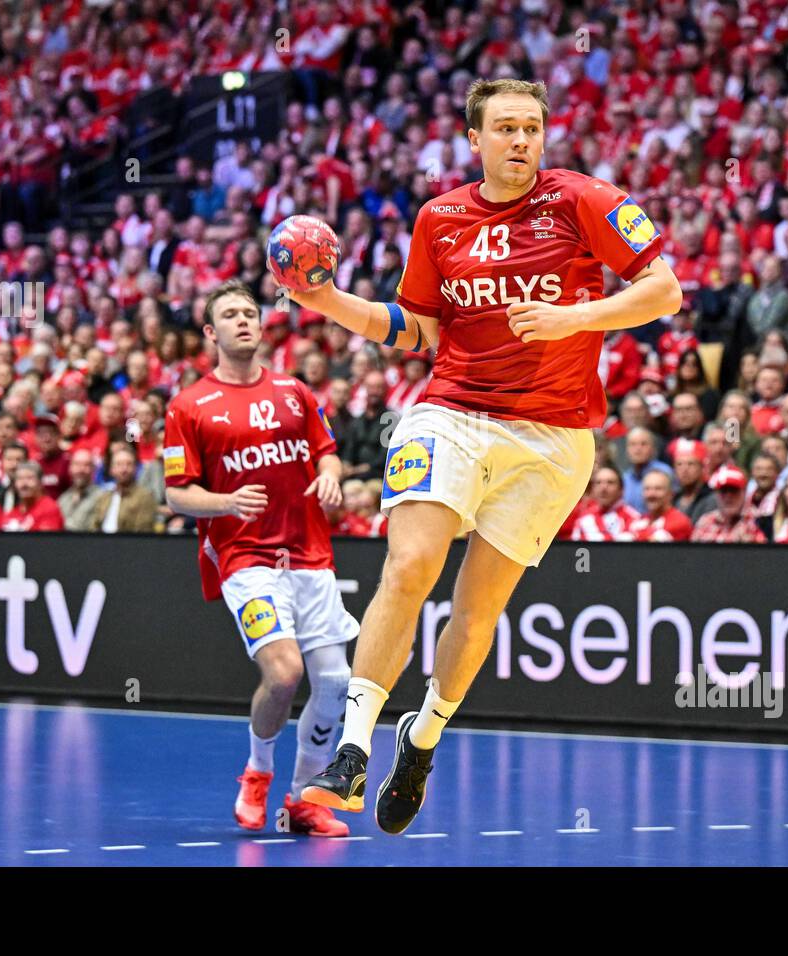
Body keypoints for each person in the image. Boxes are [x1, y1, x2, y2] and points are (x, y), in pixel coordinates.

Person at [284, 78, 681, 833]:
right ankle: (353, 748)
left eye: (532, 127)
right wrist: (324, 301)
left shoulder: (584, 200)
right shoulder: (441, 218)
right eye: (505, 129)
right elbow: (416, 330)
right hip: (453, 413)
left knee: (477, 611)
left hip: (553, 438)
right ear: (475, 139)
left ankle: (423, 738)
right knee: (410, 566)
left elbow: (664, 292)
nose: (522, 141)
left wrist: (575, 317)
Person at [164, 281, 360, 838]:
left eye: (250, 312)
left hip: (311, 556)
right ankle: (258, 771)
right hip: (245, 558)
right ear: (211, 333)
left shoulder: (295, 393)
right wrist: (226, 502)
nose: (243, 321)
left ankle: (305, 798)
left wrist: (327, 477)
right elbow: (178, 493)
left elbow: (328, 454)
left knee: (334, 680)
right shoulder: (187, 406)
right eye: (229, 315)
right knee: (284, 672)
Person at [690, 465, 767, 542]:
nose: (728, 496)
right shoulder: (705, 522)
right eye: (724, 491)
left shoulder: (758, 521)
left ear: (744, 492)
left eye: (734, 491)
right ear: (716, 494)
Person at [91, 445, 158, 532]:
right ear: (111, 469)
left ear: (135, 468)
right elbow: (94, 527)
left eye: (129, 464)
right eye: (119, 464)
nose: (124, 469)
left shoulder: (145, 497)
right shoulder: (104, 497)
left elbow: (142, 533)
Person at [628, 470, 693, 542]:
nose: (651, 494)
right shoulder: (639, 520)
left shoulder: (680, 522)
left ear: (671, 494)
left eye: (658, 489)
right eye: (647, 489)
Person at [1, 461, 66, 531]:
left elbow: (46, 540)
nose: (24, 483)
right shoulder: (12, 514)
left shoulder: (49, 508)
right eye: (20, 478)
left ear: (40, 483)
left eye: (30, 478)